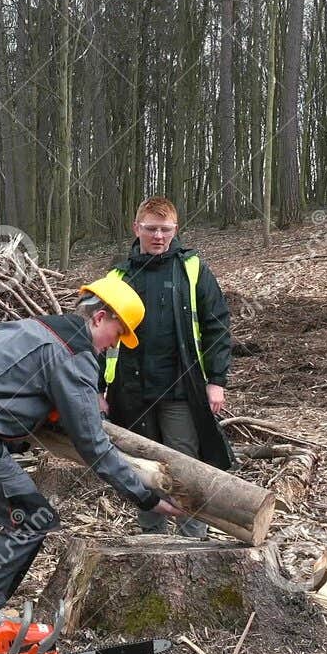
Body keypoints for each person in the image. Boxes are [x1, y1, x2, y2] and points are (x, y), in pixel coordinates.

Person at [0, 276, 186, 642]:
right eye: (117, 333)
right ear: (99, 318)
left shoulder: (33, 326)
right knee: (33, 518)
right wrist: (145, 496)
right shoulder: (73, 355)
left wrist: (69, 401)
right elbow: (93, 444)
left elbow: (11, 378)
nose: (115, 345)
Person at [101, 196, 235, 538]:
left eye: (165, 229)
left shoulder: (192, 268)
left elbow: (216, 325)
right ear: (136, 229)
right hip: (130, 390)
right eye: (151, 229)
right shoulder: (119, 275)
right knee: (141, 467)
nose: (158, 236)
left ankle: (193, 539)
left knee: (184, 463)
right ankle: (151, 539)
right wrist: (98, 386)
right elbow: (98, 336)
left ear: (175, 230)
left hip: (180, 386)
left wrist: (216, 381)